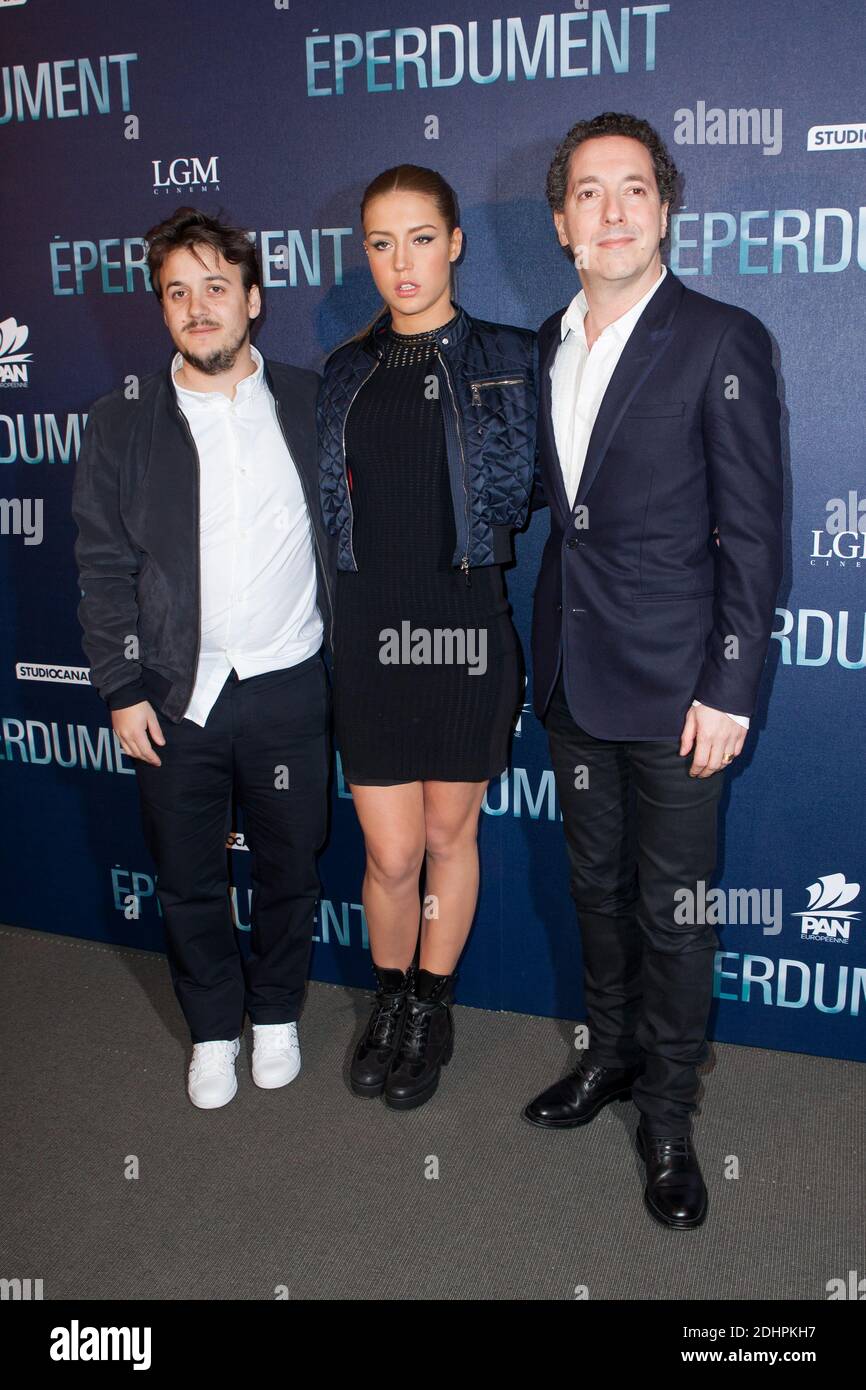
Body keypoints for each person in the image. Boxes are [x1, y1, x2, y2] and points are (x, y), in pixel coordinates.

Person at [524, 113, 783, 1228]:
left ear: (664, 209)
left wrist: (729, 685)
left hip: (682, 694)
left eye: (633, 188)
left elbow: (754, 534)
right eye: (589, 192)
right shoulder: (550, 339)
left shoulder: (721, 339)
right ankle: (613, 1057)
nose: (613, 210)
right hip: (577, 682)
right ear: (560, 221)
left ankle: (669, 1115)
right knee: (595, 893)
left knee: (674, 911)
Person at [71, 207, 335, 1109]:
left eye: (215, 288)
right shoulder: (121, 421)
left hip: (291, 682)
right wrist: (118, 685)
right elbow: (102, 565)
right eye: (177, 293)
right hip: (177, 694)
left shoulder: (310, 401)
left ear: (251, 300)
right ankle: (214, 1030)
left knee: (290, 866)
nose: (196, 308)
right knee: (187, 876)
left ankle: (274, 1014)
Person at [317, 165, 537, 1109]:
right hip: (369, 638)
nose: (400, 262)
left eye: (418, 238)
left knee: (451, 835)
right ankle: (392, 994)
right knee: (389, 855)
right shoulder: (344, 373)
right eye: (380, 242)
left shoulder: (511, 357)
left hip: (463, 634)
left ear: (454, 242)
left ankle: (431, 1007)